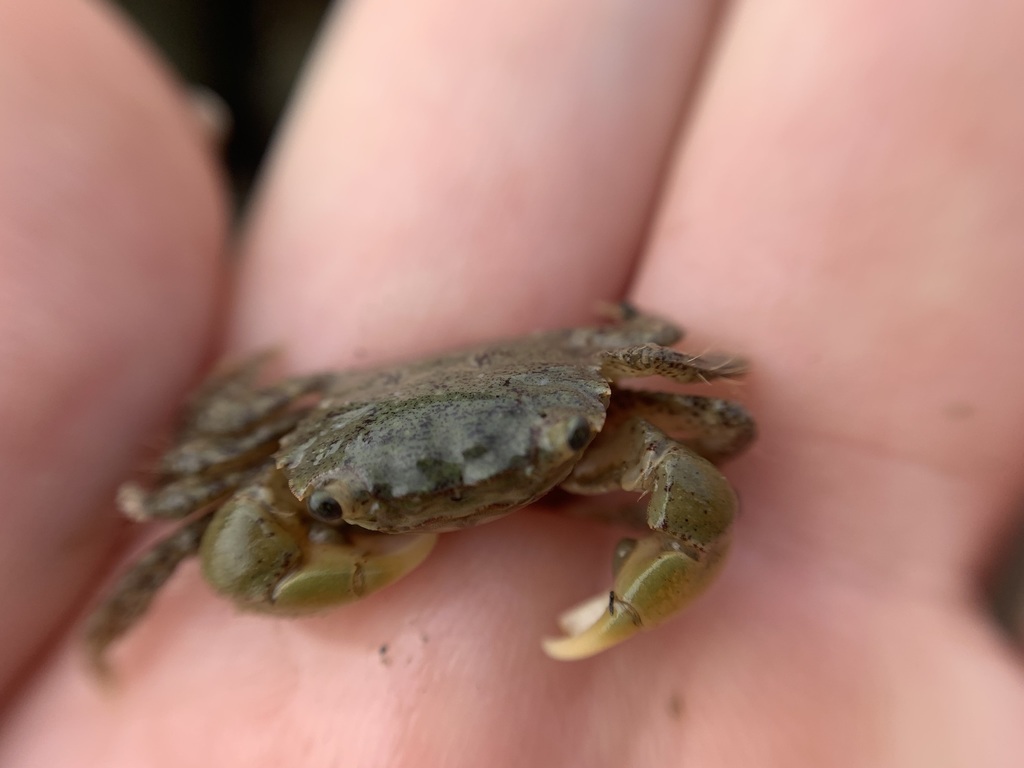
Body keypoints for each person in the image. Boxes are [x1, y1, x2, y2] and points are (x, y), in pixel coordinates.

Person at [1, 0, 1021, 764]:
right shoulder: (281, 469)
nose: (457, 508)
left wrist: (608, 426)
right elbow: (220, 552)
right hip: (457, 420)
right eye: (390, 510)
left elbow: (720, 433)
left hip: (543, 396)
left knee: (704, 459)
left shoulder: (601, 406)